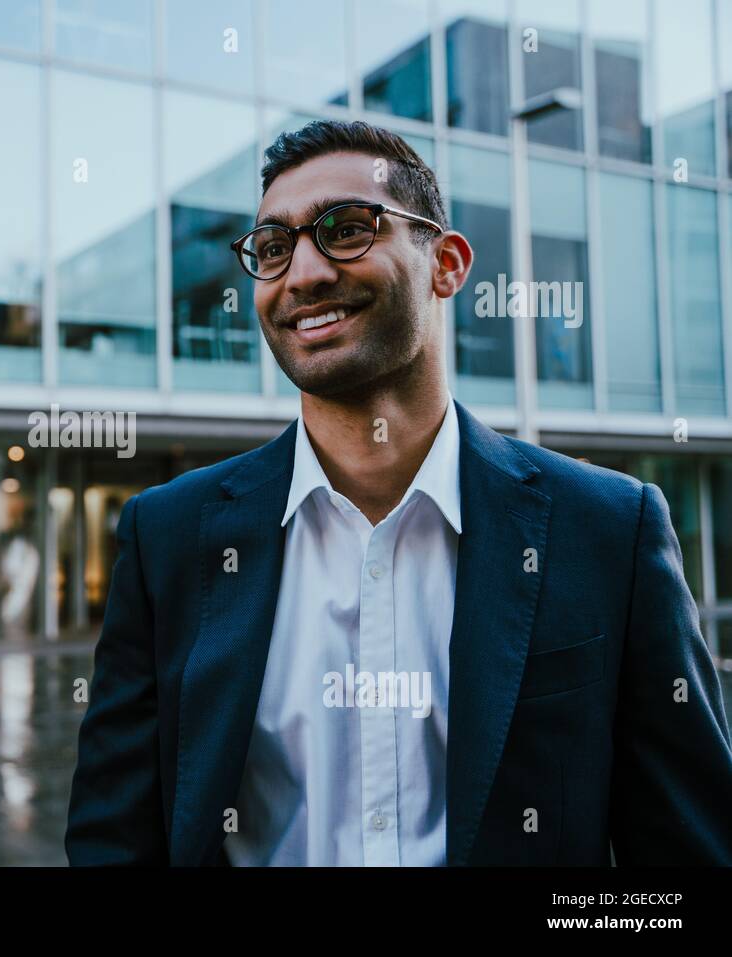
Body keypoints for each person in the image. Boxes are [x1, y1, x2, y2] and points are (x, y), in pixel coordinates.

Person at [65, 119, 732, 866]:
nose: (305, 274)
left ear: (445, 263)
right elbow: (112, 840)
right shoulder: (168, 537)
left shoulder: (609, 530)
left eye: (348, 228)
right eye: (274, 249)